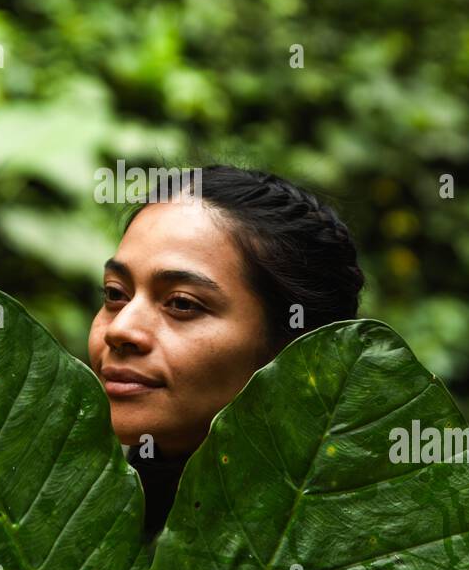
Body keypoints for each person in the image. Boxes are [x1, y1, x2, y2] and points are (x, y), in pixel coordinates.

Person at [88, 164, 364, 537]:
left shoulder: (357, 544)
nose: (120, 329)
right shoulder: (59, 517)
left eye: (182, 304)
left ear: (294, 345)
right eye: (115, 294)